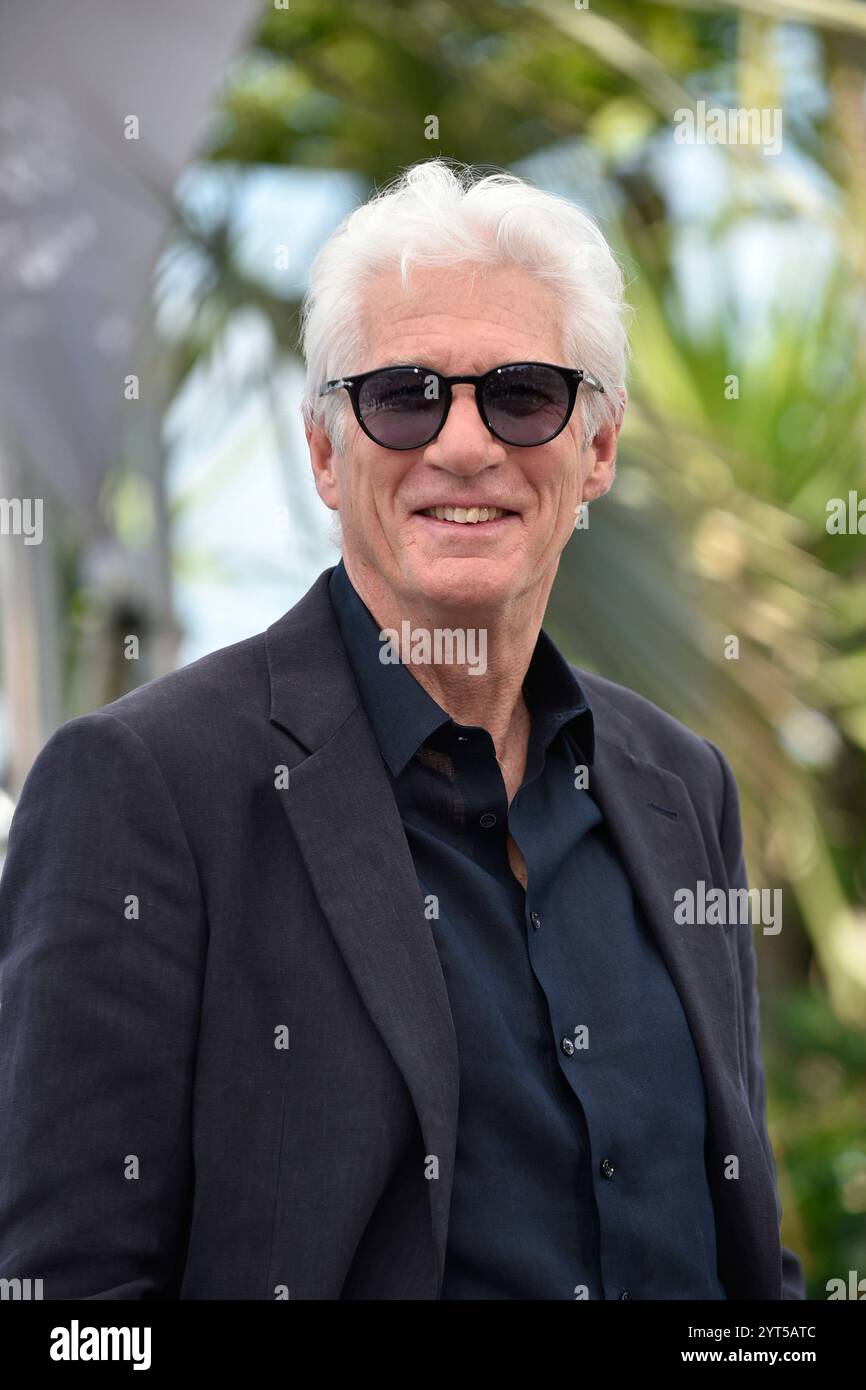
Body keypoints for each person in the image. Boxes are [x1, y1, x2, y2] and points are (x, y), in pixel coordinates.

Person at [0, 158, 804, 1300]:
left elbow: (741, 1259)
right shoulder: (142, 787)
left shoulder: (680, 784)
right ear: (327, 452)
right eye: (403, 393)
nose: (464, 445)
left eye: (523, 393)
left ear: (598, 449)